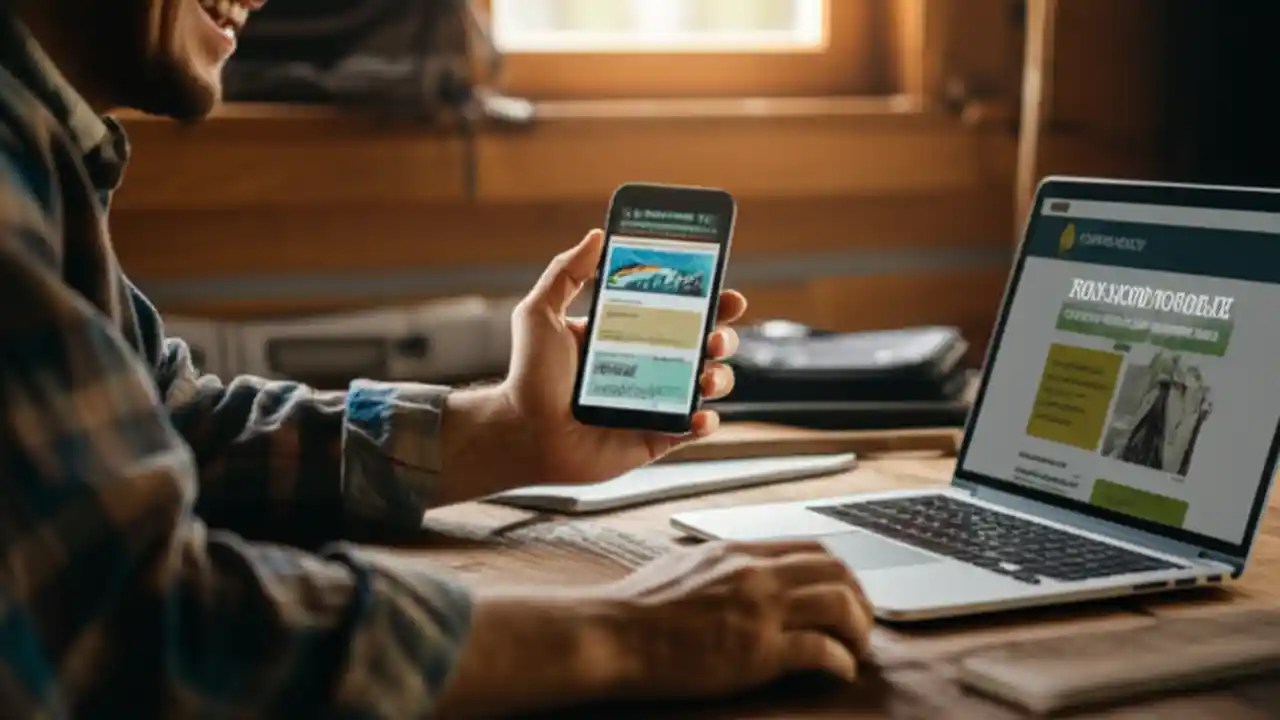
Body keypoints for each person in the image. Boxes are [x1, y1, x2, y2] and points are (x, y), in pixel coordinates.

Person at [0, 1, 873, 717]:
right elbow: (137, 623)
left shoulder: (40, 143)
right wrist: (635, 633)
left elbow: (177, 424)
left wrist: (504, 430)